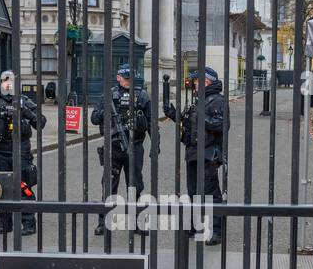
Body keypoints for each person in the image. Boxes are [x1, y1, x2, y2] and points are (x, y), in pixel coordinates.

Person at [164, 65, 227, 245]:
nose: (194, 84)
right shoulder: (199, 100)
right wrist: (173, 114)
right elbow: (189, 121)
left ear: (206, 82)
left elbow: (222, 125)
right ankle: (194, 226)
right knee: (192, 191)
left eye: (196, 81)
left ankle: (217, 231)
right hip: (192, 152)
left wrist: (202, 118)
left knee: (211, 192)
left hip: (208, 153)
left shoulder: (217, 101)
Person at [0, 70, 46, 236]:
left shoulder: (24, 101)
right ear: (1, 83)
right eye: (4, 81)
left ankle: (29, 223)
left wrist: (26, 113)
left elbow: (41, 122)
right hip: (1, 150)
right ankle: (4, 224)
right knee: (1, 187)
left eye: (11, 81)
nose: (8, 84)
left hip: (21, 150)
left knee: (24, 186)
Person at [91, 64, 151, 235]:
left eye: (131, 79)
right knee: (109, 185)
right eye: (126, 78)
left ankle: (137, 222)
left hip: (135, 145)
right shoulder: (108, 96)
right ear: (118, 77)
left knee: (135, 186)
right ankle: (104, 222)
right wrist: (105, 112)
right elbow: (94, 118)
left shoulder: (142, 95)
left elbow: (150, 121)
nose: (129, 82)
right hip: (114, 146)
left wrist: (156, 144)